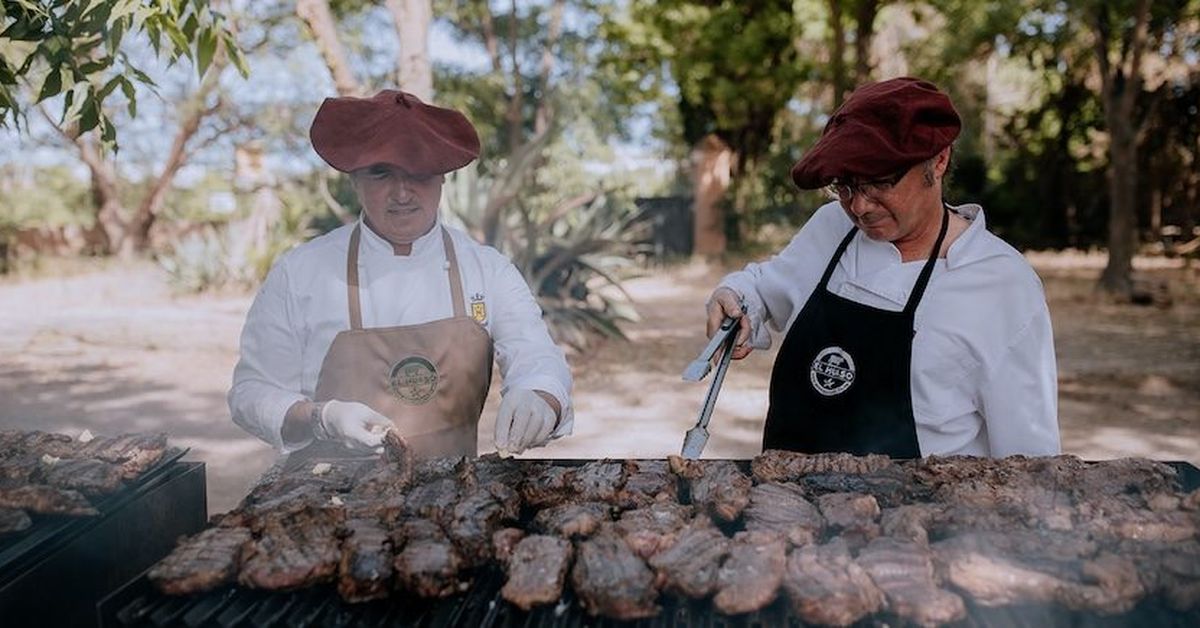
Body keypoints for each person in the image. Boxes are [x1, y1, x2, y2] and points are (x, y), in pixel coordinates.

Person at [705, 77, 1059, 458]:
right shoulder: (832, 229)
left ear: (938, 161)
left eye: (878, 183)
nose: (859, 206)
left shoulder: (1002, 284)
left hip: (923, 515)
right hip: (790, 506)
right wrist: (735, 296)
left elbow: (1030, 459)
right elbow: (763, 289)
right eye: (845, 186)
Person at [230, 89, 572, 460]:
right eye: (381, 174)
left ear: (442, 179)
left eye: (419, 174)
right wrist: (322, 418)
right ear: (355, 180)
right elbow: (252, 391)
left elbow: (537, 357)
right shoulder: (300, 274)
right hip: (330, 499)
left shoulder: (488, 270)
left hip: (453, 500)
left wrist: (539, 397)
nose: (403, 193)